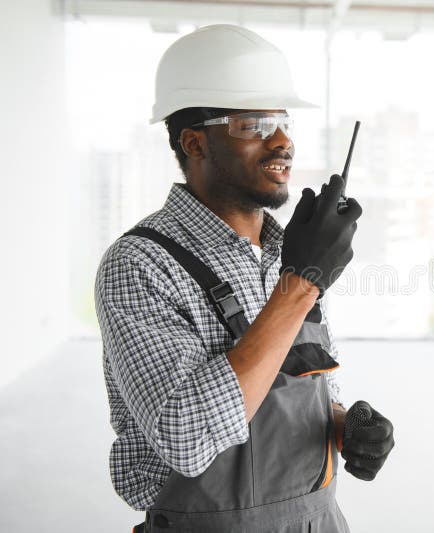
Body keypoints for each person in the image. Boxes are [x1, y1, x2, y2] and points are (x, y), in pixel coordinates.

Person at [94, 24, 394, 532]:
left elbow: (299, 386)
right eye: (253, 124)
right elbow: (185, 437)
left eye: (283, 121)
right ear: (194, 142)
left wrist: (346, 426)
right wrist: (300, 284)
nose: (281, 141)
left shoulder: (289, 250)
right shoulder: (140, 265)